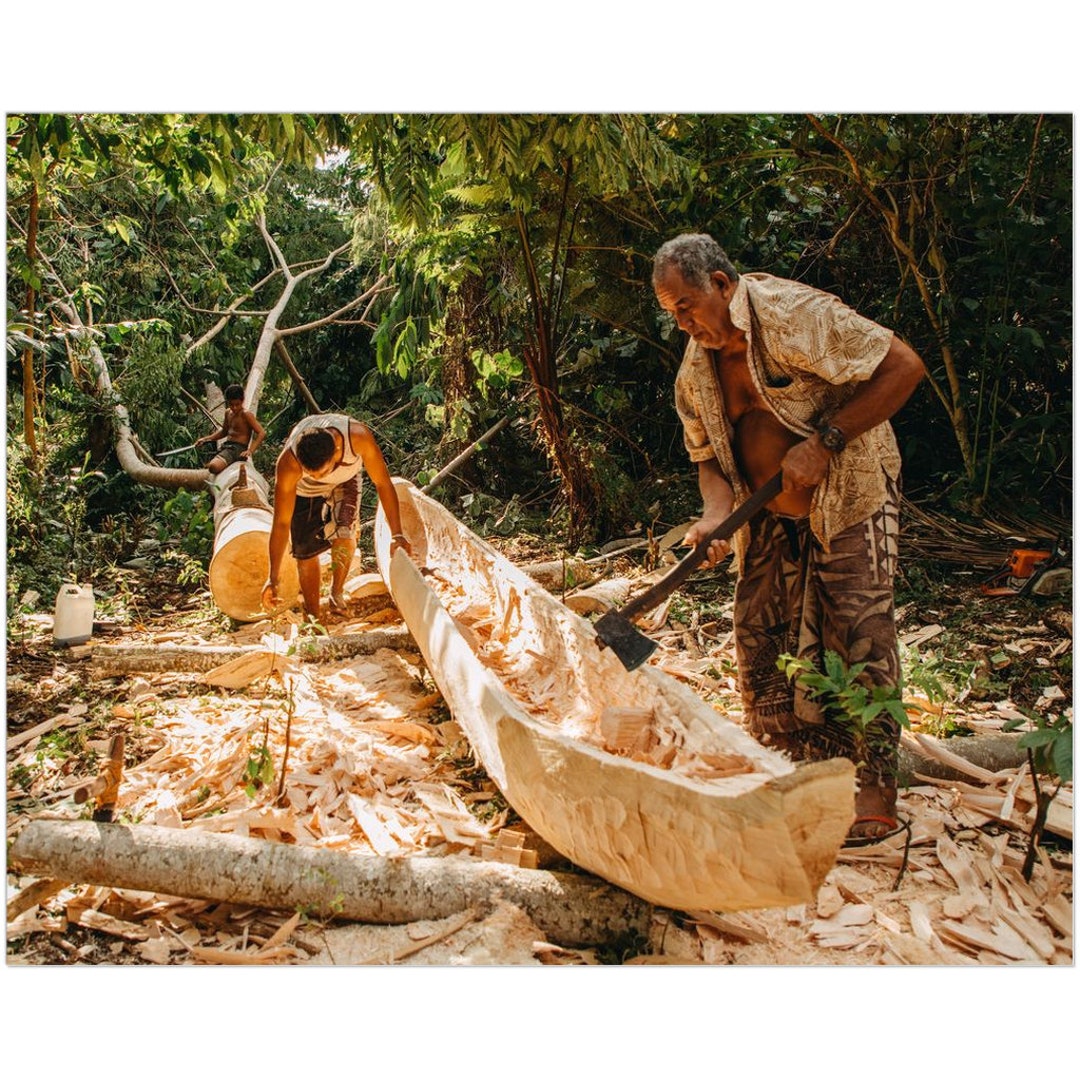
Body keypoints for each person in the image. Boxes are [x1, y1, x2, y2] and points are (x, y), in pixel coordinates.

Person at [652, 233, 926, 841]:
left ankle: (872, 784)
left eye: (687, 306)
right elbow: (711, 460)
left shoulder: (796, 316)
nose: (683, 323)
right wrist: (714, 516)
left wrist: (827, 441)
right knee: (757, 627)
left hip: (848, 489)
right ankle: (787, 767)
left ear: (721, 285)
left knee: (857, 629)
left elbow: (903, 366)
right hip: (766, 512)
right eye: (672, 314)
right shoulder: (693, 376)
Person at [261, 412, 412, 622]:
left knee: (345, 531)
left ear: (336, 452)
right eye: (311, 473)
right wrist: (273, 577)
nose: (319, 478)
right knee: (305, 552)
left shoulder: (358, 438)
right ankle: (313, 616)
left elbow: (383, 484)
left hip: (346, 479)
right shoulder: (289, 463)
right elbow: (281, 522)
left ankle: (336, 592)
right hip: (305, 491)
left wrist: (397, 534)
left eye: (321, 473)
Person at [195, 384, 265, 475]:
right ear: (227, 402)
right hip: (227, 446)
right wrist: (206, 439)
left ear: (242, 400)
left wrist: (250, 451)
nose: (234, 408)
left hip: (238, 449)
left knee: (213, 467)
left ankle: (228, 462)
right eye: (231, 404)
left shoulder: (246, 414)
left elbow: (262, 433)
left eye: (237, 404)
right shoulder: (228, 412)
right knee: (207, 465)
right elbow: (224, 432)